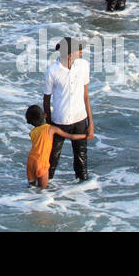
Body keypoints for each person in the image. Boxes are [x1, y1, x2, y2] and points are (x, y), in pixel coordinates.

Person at [43, 37, 93, 182]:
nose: (81, 52)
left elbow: (86, 96)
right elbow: (46, 100)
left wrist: (91, 123)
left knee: (82, 161)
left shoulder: (83, 65)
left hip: (80, 119)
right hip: (59, 121)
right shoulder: (52, 72)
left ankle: (82, 194)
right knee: (51, 161)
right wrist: (49, 125)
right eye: (79, 50)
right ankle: (42, 196)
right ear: (70, 55)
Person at [25, 103, 90, 189]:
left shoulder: (32, 132)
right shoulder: (51, 129)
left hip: (31, 161)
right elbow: (71, 136)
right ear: (45, 115)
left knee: (32, 189)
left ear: (30, 121)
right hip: (41, 162)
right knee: (42, 191)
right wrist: (85, 136)